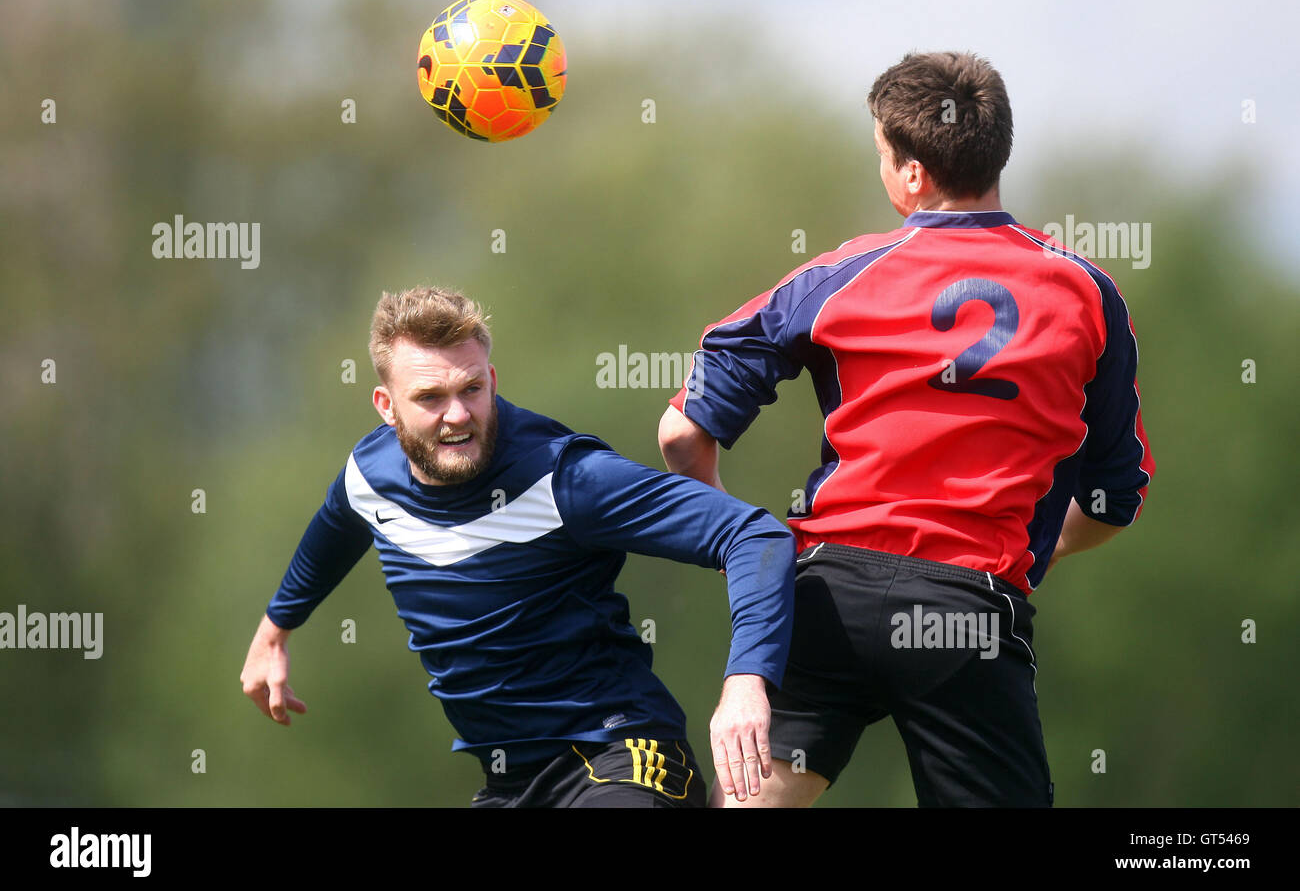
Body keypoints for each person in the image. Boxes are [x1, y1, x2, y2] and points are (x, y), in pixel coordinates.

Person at [657, 51, 1154, 807]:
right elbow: (1117, 499)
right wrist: (1031, 550)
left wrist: (738, 548)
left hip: (827, 595)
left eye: (883, 156)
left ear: (912, 174)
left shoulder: (837, 276)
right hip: (968, 613)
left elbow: (681, 436)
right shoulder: (1088, 294)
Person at [240, 286, 795, 807]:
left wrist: (747, 684)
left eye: (472, 390)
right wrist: (274, 632)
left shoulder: (564, 478)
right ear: (386, 406)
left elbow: (753, 536)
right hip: (508, 785)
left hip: (622, 757)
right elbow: (334, 528)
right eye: (430, 397)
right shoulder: (368, 475)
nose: (457, 415)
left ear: (492, 380)